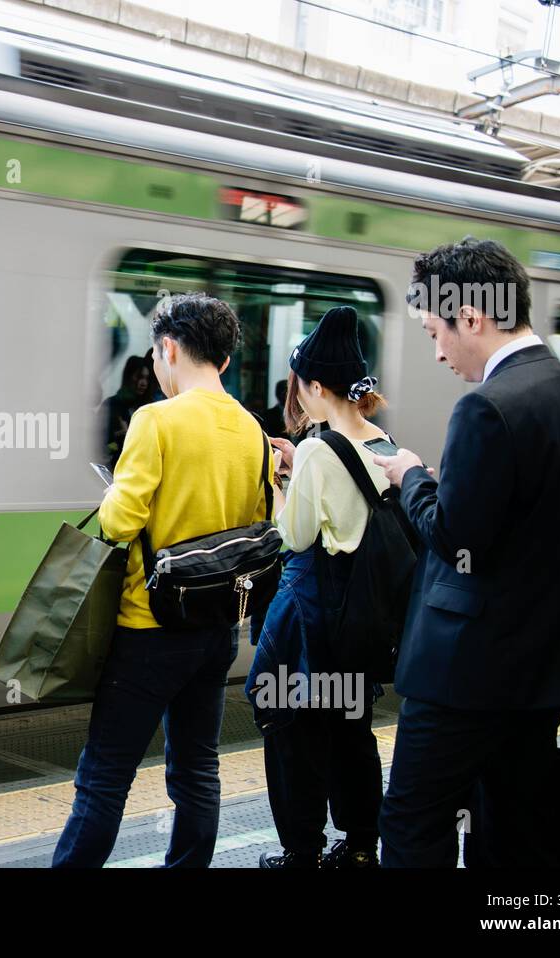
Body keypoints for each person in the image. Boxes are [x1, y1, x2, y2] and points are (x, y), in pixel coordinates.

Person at [373, 237, 560, 867]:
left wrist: (413, 478)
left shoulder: (486, 407)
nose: (437, 351)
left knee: (411, 823)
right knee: (513, 826)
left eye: (437, 331)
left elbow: (458, 538)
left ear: (473, 318)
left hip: (464, 676)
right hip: (542, 677)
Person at [52, 292, 269, 868]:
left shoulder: (155, 419)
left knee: (104, 776)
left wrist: (114, 489)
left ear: (169, 348)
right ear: (223, 360)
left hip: (149, 626)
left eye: (154, 353)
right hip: (217, 624)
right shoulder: (252, 430)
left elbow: (121, 521)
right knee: (198, 767)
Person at [244, 306, 389, 869]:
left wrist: (284, 480)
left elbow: (294, 536)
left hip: (311, 622)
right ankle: (358, 847)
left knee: (292, 733)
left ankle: (300, 852)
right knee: (352, 731)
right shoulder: (383, 442)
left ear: (313, 386)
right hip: (359, 618)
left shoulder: (317, 451)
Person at [102, 355, 153, 466]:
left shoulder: (148, 409)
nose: (143, 383)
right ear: (128, 376)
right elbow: (100, 446)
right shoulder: (112, 405)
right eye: (139, 377)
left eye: (146, 378)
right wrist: (121, 439)